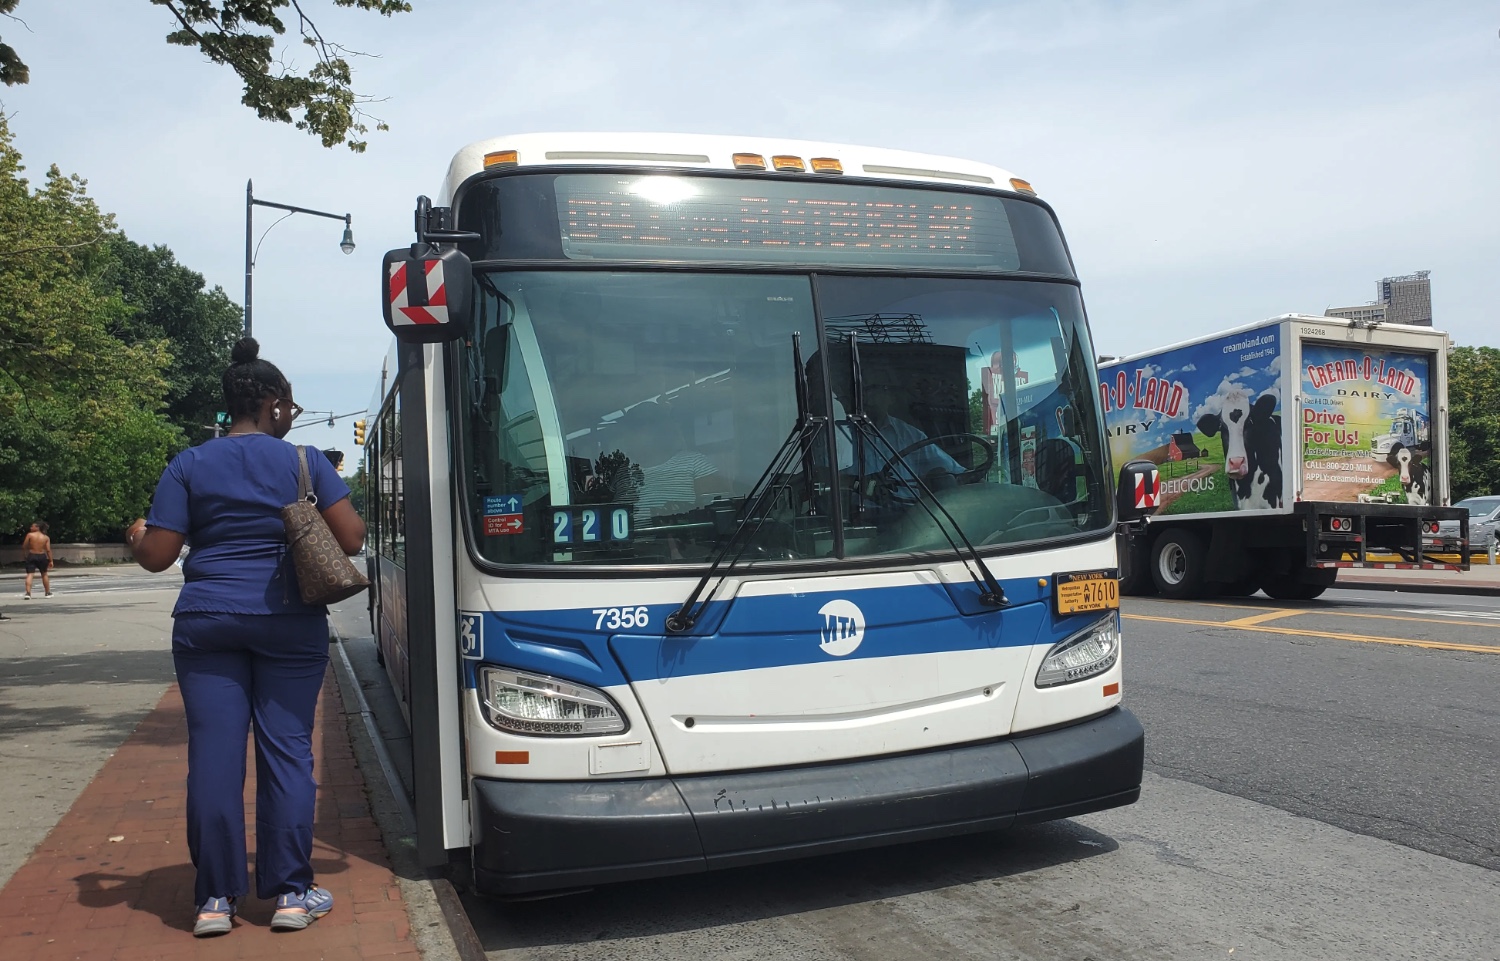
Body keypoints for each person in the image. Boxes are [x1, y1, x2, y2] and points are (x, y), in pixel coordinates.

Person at [126, 337, 365, 938]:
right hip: (288, 621)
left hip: (207, 621)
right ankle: (289, 893)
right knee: (287, 749)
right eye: (290, 403)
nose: (294, 413)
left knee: (213, 754)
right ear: (272, 404)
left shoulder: (188, 463)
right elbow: (354, 539)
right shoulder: (306, 462)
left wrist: (136, 535)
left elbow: (157, 555)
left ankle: (213, 902)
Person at [22, 521, 53, 598]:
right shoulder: (46, 537)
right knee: (44, 574)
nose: (31, 528)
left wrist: (25, 555)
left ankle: (28, 593)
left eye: (32, 526)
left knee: (30, 574)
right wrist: (51, 560)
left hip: (32, 555)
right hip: (42, 555)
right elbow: (48, 550)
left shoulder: (30, 535)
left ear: (37, 527)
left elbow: (24, 546)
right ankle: (47, 592)